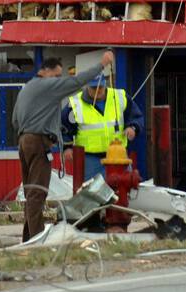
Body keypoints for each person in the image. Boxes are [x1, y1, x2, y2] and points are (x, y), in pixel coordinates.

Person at [11, 50, 113, 242]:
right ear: (45, 72)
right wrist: (102, 64)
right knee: (38, 193)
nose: (58, 80)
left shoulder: (26, 89)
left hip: (24, 141)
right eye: (57, 75)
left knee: (30, 190)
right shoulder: (47, 86)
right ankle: (37, 238)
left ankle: (28, 237)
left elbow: (14, 119)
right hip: (38, 142)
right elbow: (76, 82)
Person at [62, 73, 144, 182]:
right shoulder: (75, 104)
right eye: (93, 88)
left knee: (122, 190)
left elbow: (135, 116)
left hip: (118, 157)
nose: (97, 90)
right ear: (87, 86)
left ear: (105, 84)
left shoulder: (120, 97)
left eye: (100, 87)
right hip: (90, 159)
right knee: (91, 194)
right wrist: (67, 147)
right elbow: (64, 127)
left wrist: (133, 128)